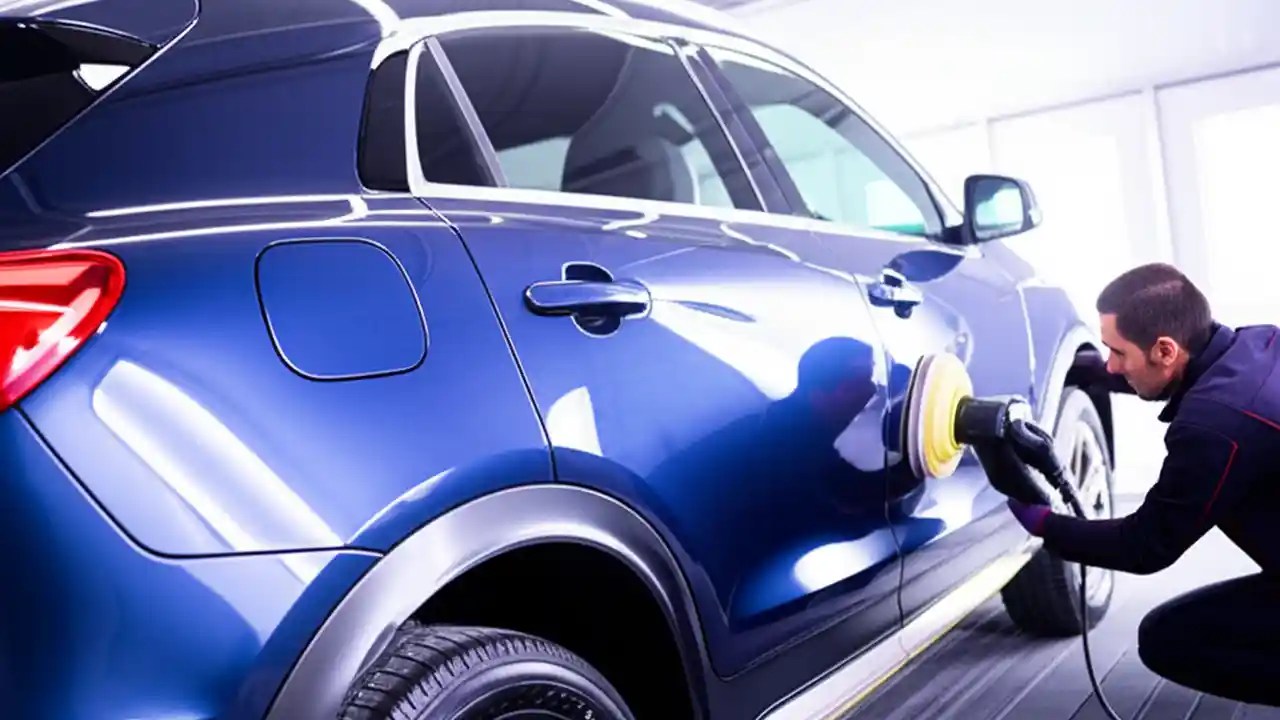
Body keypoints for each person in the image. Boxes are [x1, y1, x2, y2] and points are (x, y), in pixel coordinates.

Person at [1004, 262, 1280, 707]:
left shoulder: (1214, 428)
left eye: (1118, 353)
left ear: (1166, 350)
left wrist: (1043, 525)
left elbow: (1144, 546)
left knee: (1168, 639)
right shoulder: (1260, 344)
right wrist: (1087, 371)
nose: (1112, 364)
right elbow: (1176, 377)